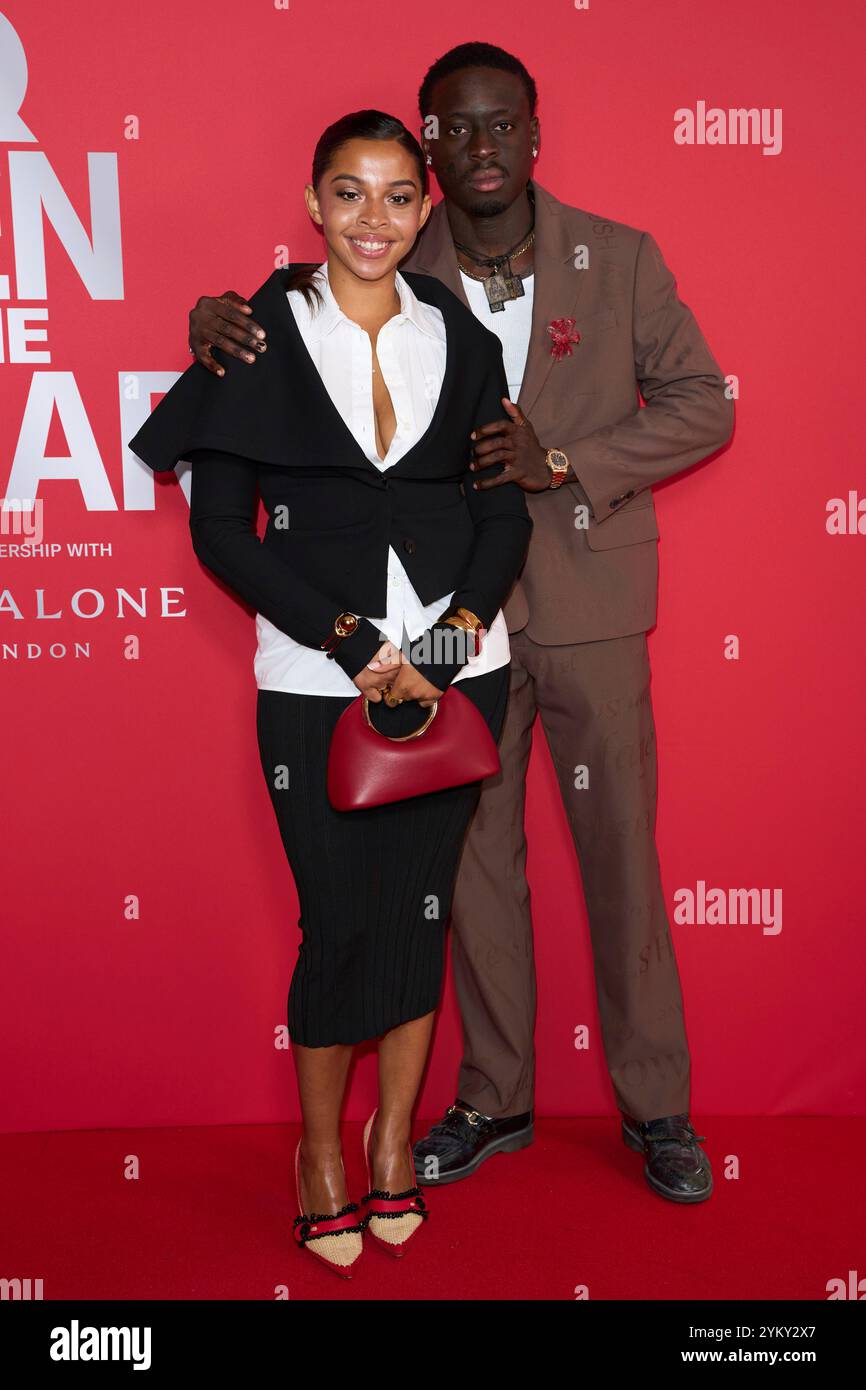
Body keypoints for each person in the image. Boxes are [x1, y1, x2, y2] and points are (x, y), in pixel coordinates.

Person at [184, 43, 735, 1205]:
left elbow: (701, 403)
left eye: (501, 126)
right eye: (453, 129)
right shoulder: (389, 248)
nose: (478, 147)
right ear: (425, 148)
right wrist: (210, 322)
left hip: (584, 604)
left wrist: (568, 460)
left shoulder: (619, 257)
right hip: (442, 634)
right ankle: (493, 1095)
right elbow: (282, 347)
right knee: (468, 866)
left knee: (621, 854)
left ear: (537, 135)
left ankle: (657, 1105)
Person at [128, 108, 532, 1274]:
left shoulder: (455, 333)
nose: (373, 218)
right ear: (313, 204)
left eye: (398, 195)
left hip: (460, 674)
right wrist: (355, 639)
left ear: (424, 207)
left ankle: (394, 1140)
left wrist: (453, 637)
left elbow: (499, 502)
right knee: (338, 921)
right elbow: (220, 531)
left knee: (420, 914)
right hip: (316, 674)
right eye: (347, 194)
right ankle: (319, 1155)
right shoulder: (251, 336)